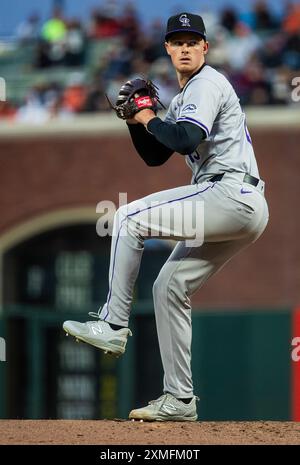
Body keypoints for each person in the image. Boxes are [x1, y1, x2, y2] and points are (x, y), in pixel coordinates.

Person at [63, 12, 269, 422]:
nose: (187, 47)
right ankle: (179, 400)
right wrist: (136, 122)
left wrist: (146, 115)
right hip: (241, 206)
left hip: (228, 192)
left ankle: (113, 324)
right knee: (169, 287)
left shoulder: (208, 83)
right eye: (179, 41)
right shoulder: (183, 97)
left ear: (205, 48)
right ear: (168, 49)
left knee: (125, 218)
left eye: (194, 41)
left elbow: (185, 138)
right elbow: (157, 154)